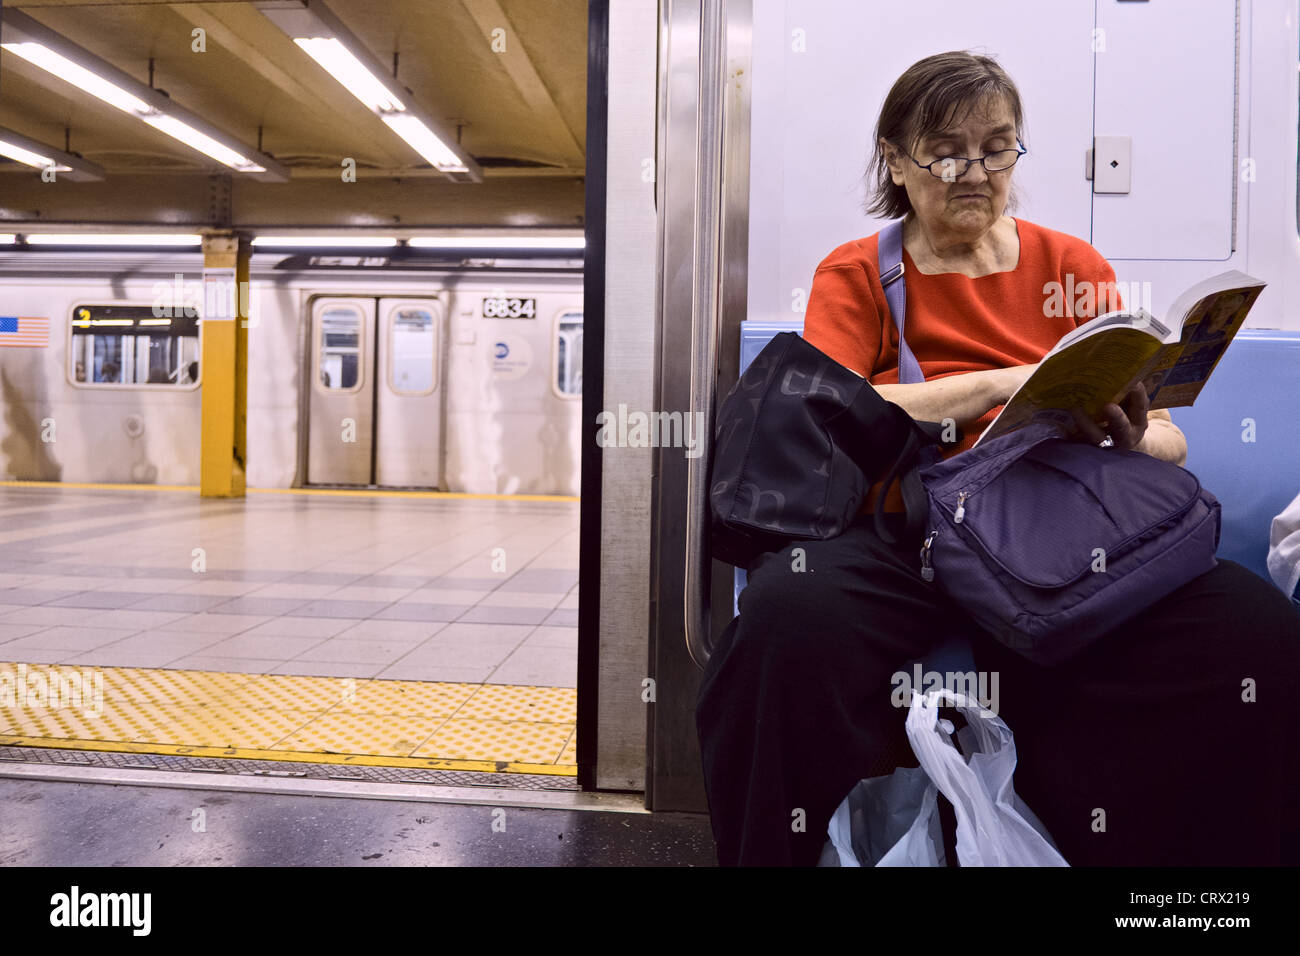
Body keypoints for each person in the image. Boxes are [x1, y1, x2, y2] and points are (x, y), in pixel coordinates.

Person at [696, 50, 1300, 867]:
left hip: (1054, 531)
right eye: (945, 150)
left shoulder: (1072, 269)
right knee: (782, 624)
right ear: (897, 161)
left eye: (997, 147)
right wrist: (992, 386)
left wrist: (1127, 432)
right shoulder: (860, 272)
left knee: (1251, 630)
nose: (974, 171)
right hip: (907, 537)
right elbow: (833, 408)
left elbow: (1169, 440)